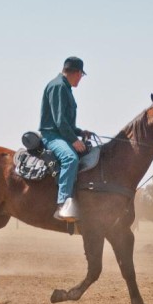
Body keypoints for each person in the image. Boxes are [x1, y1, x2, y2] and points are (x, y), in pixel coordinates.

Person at [40, 56, 90, 222]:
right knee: (70, 158)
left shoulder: (65, 87)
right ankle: (63, 204)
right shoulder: (58, 86)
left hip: (61, 134)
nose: (80, 80)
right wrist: (74, 140)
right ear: (76, 73)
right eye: (81, 76)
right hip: (52, 136)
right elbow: (59, 121)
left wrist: (80, 132)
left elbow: (65, 122)